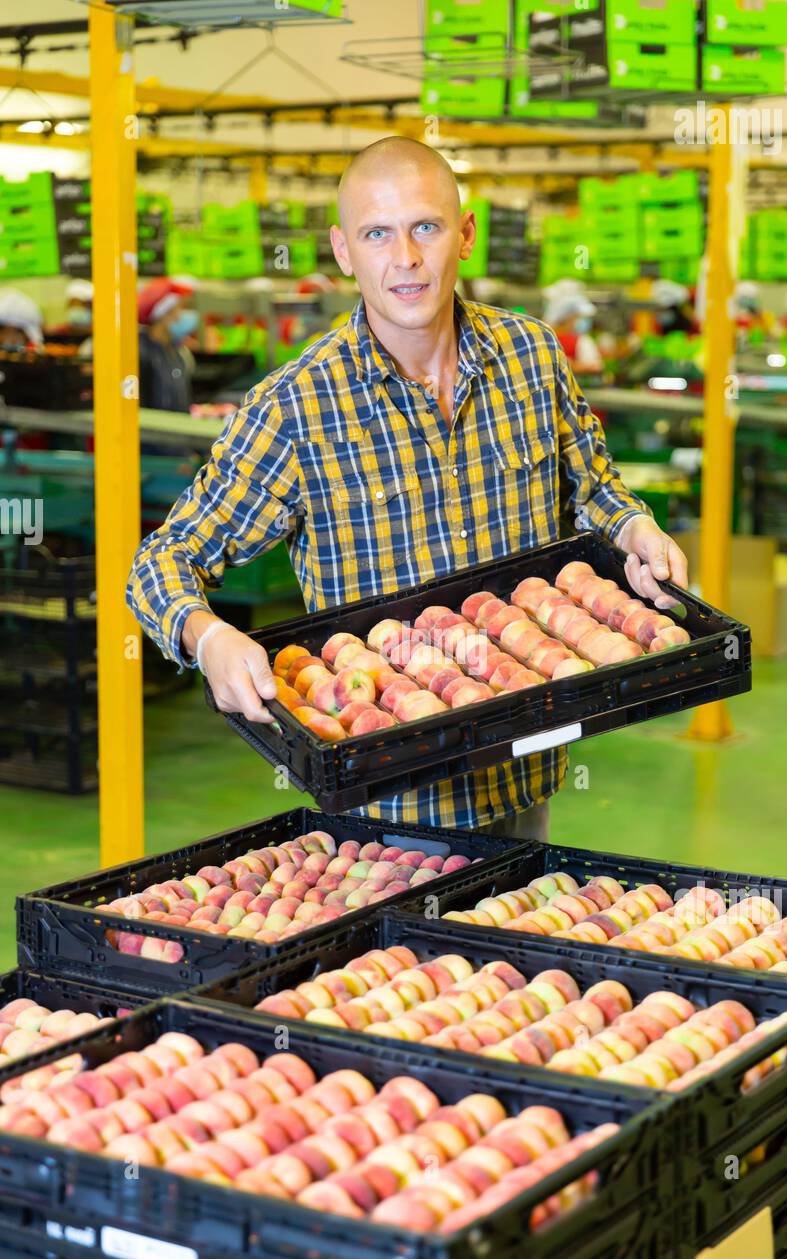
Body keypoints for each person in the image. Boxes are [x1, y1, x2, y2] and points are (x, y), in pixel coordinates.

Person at [128, 137, 687, 840]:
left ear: (466, 233)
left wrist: (634, 528)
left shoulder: (532, 359)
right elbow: (162, 559)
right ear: (342, 250)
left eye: (426, 226)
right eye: (376, 233)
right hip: (389, 807)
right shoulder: (298, 408)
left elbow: (595, 489)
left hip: (527, 762)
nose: (406, 258)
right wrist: (206, 637)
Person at [137, 277, 198, 413]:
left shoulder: (177, 351)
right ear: (164, 314)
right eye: (181, 308)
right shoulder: (139, 351)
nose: (181, 316)